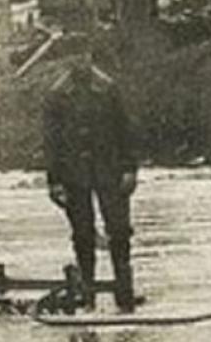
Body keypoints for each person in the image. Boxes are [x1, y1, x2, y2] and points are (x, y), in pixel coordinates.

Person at [42, 47, 143, 312]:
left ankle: (124, 291)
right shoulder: (57, 96)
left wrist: (130, 169)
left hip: (110, 171)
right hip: (74, 175)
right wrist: (54, 181)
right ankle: (87, 294)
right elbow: (51, 143)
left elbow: (126, 131)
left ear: (90, 57)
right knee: (82, 233)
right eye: (73, 55)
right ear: (67, 60)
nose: (79, 61)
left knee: (119, 231)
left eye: (83, 54)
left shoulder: (109, 89)